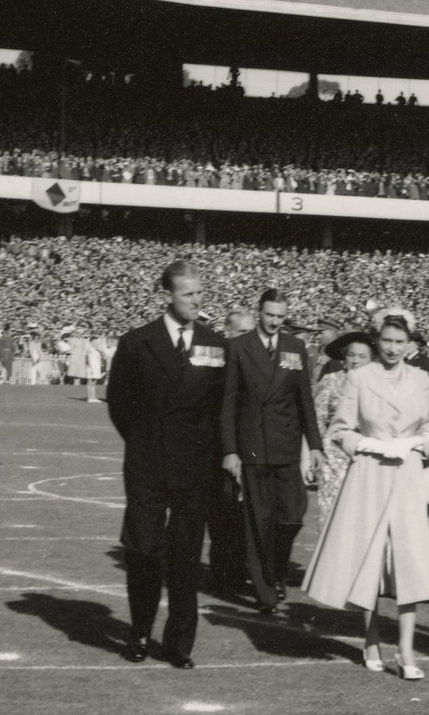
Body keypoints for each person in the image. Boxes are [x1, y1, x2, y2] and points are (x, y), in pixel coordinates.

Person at [104, 261, 231, 667]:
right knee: (143, 551)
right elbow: (120, 405)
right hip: (147, 463)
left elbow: (219, 409)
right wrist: (145, 443)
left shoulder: (215, 343)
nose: (196, 300)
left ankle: (179, 643)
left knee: (186, 556)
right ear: (168, 295)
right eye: (187, 294)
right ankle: (140, 631)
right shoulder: (138, 342)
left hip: (194, 467)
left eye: (199, 292)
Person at [300, 316, 429, 680]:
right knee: (370, 559)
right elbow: (340, 428)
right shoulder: (360, 378)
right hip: (369, 475)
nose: (393, 348)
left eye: (400, 341)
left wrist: (415, 442)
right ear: (378, 342)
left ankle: (407, 650)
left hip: (407, 474)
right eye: (387, 341)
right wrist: (368, 444)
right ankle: (371, 639)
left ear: (411, 344)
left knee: (408, 560)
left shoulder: (421, 378)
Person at [220, 288, 320, 615]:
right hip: (252, 449)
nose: (275, 322)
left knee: (292, 515)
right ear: (259, 312)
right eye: (269, 316)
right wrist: (230, 450)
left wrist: (315, 445)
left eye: (280, 316)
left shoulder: (296, 347)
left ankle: (275, 571)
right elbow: (229, 404)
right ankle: (265, 592)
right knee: (258, 522)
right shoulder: (238, 347)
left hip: (286, 446)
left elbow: (305, 401)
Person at [313, 329, 377, 530]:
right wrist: (319, 453)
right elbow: (318, 419)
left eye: (362, 356)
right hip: (335, 461)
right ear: (344, 357)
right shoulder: (331, 381)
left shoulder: (378, 384)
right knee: (334, 521)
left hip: (368, 459)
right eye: (351, 355)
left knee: (363, 522)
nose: (355, 360)